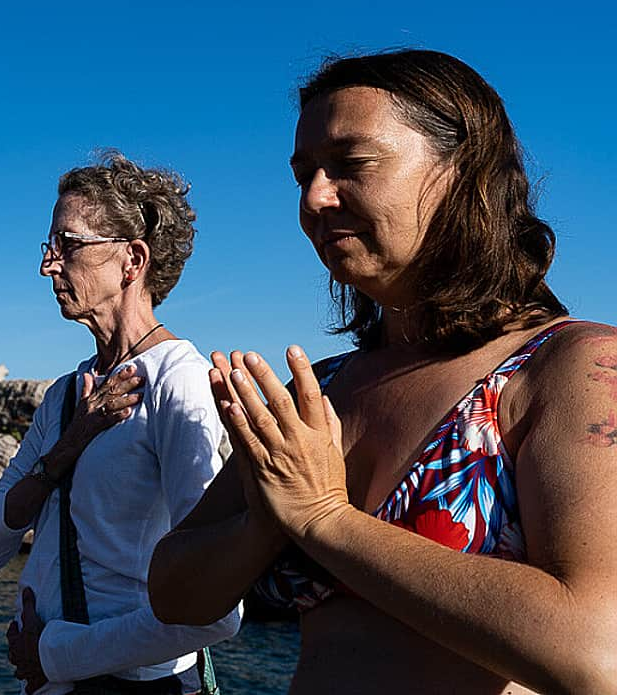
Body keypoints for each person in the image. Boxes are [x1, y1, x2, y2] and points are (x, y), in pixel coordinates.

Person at [148, 50, 617, 694]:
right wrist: (266, 518)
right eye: (302, 174)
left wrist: (324, 520)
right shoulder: (324, 390)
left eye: (352, 164)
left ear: (461, 173)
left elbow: (596, 652)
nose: (315, 198)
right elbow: (175, 596)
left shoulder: (573, 367)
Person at [0, 152, 241, 695]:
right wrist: (67, 447)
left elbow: (214, 611)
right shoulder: (66, 396)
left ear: (131, 260)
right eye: (49, 247)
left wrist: (55, 653)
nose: (49, 265)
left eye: (68, 245)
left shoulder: (177, 381)